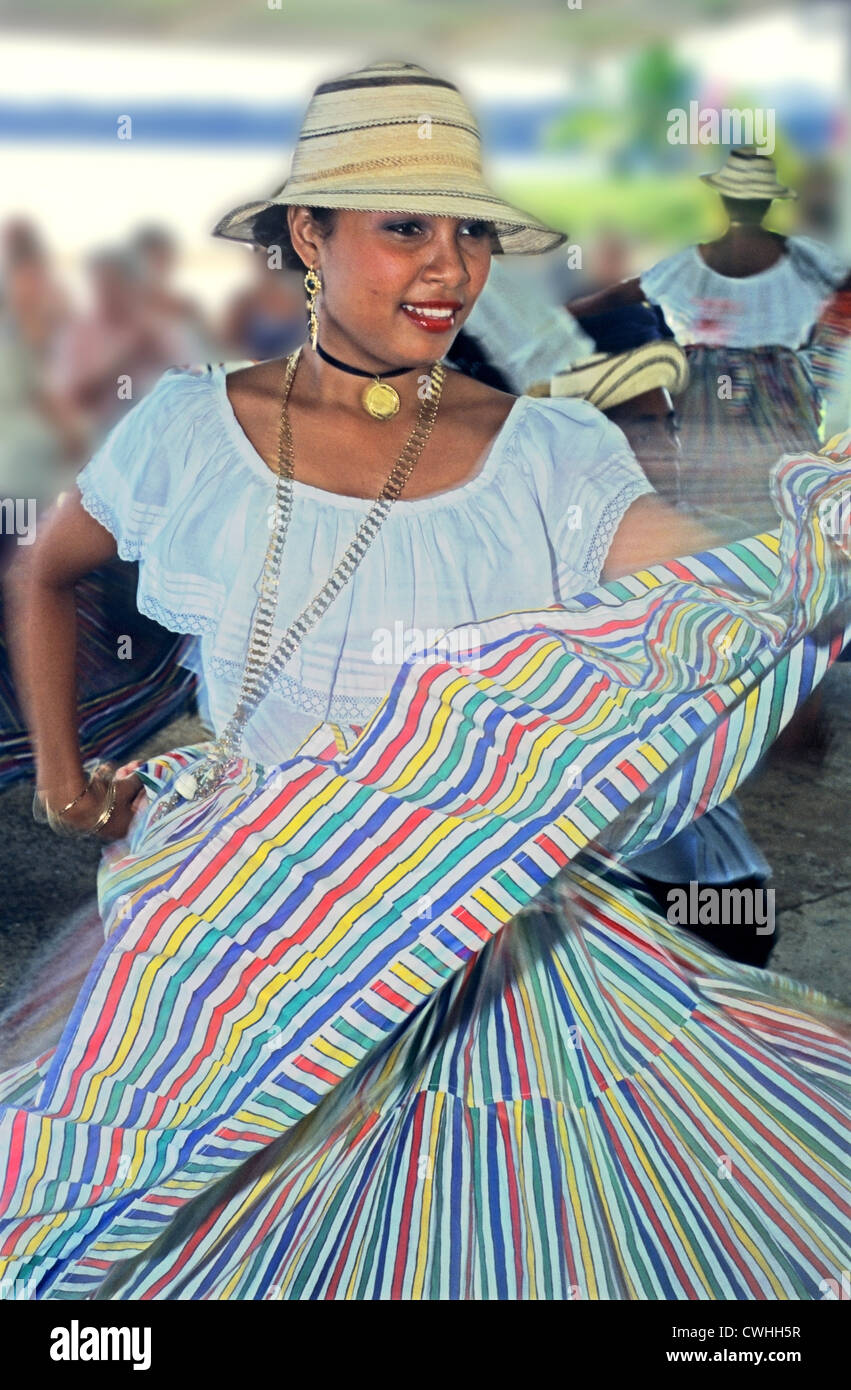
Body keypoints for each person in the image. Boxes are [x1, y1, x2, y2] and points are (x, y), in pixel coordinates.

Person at [1, 61, 849, 1302]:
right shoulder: (187, 427)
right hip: (248, 941)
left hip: (483, 951)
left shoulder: (548, 450)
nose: (449, 268)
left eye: (470, 234)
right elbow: (44, 571)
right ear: (308, 234)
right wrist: (63, 784)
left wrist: (820, 545)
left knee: (490, 1243)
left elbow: (718, 586)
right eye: (404, 227)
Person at [549, 307, 775, 967]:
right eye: (645, 428)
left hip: (707, 890)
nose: (670, 447)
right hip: (623, 893)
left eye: (668, 425)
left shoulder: (712, 547)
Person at [568, 147, 851, 528]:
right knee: (788, 479)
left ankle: (725, 547)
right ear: (768, 202)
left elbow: (621, 295)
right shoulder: (805, 258)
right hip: (777, 383)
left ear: (725, 201)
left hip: (710, 383)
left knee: (712, 483)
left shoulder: (688, 264)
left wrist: (563, 313)